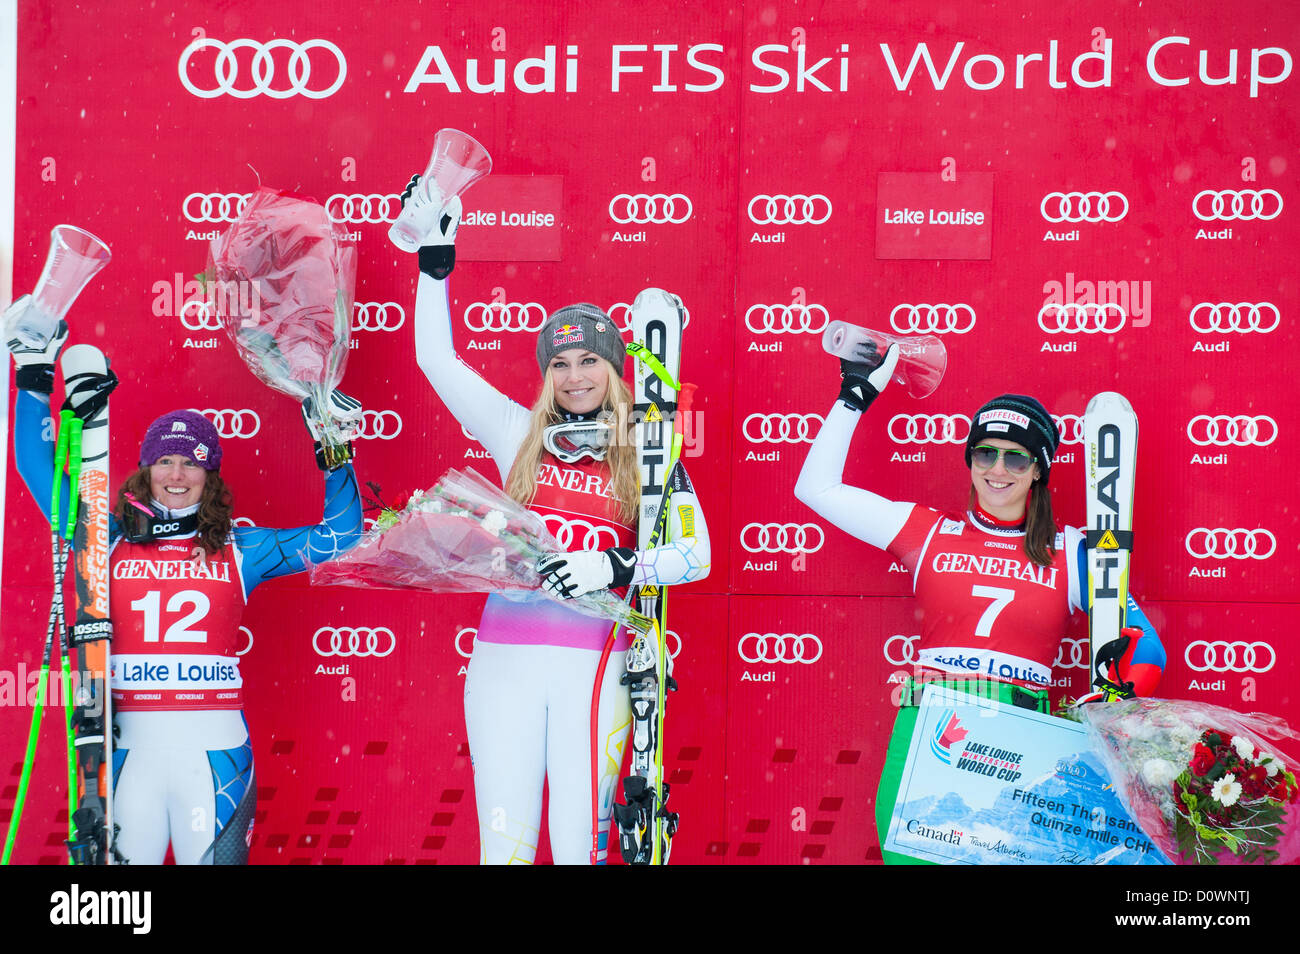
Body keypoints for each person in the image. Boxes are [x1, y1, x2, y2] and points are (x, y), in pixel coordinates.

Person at [399, 180, 711, 864]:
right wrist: (434, 258)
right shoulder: (517, 432)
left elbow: (696, 554)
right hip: (504, 665)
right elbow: (435, 360)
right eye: (561, 363)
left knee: (582, 852)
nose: (575, 376)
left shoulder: (647, 448)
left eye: (590, 360)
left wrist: (613, 564)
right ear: (546, 374)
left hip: (594, 673)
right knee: (502, 851)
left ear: (614, 367)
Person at [6, 315, 363, 864]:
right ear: (145, 470)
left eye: (192, 462)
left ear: (210, 474)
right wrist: (32, 378)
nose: (177, 474)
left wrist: (334, 449)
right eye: (164, 461)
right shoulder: (107, 537)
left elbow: (341, 535)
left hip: (214, 753)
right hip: (126, 752)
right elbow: (35, 468)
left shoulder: (240, 548)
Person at [794, 343, 1165, 864]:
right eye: (985, 452)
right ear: (970, 459)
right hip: (931, 727)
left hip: (1021, 740)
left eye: (1016, 457)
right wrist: (854, 397)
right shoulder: (926, 532)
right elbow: (817, 489)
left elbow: (1147, 649)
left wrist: (1110, 696)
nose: (998, 469)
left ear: (1039, 470)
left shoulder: (1072, 549)